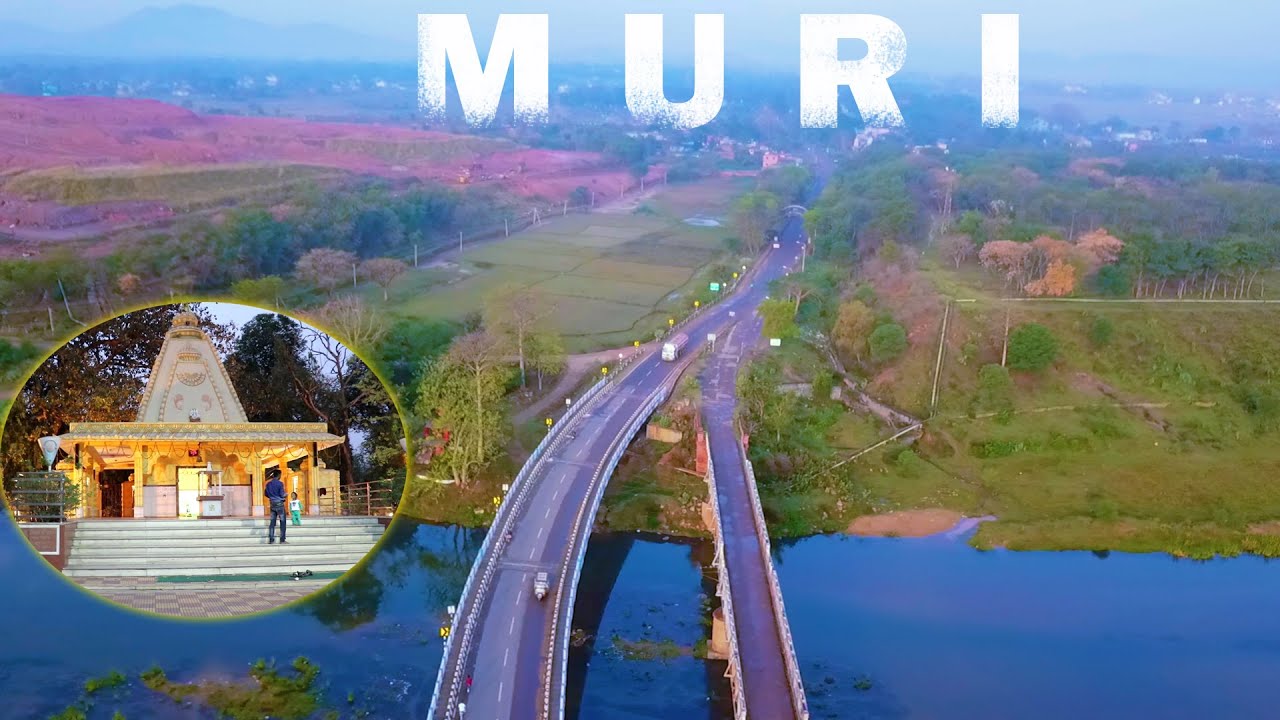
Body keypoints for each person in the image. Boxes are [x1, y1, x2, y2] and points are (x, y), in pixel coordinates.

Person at [265, 469, 288, 544]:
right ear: (278, 475)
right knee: (282, 522)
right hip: (280, 504)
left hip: (272, 504)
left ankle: (271, 539)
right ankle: (282, 540)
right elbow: (282, 494)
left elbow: (266, 494)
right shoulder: (280, 483)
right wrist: (285, 495)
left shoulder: (268, 484)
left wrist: (272, 497)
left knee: (272, 522)